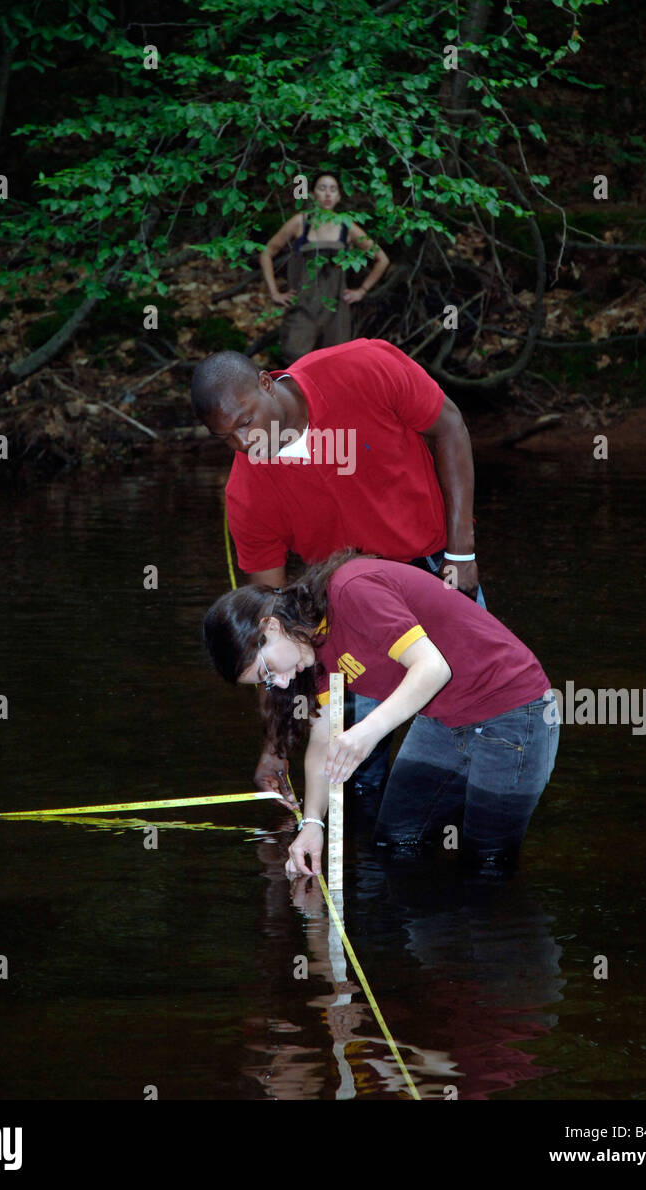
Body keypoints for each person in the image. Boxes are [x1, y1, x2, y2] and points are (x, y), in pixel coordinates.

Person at [191, 338, 483, 803]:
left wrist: (461, 553)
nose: (243, 443)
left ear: (267, 384)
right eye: (225, 436)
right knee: (357, 777)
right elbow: (272, 626)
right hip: (353, 614)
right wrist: (276, 746)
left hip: (436, 569)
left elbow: (449, 427)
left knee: (477, 720)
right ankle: (367, 865)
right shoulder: (247, 497)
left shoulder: (361, 366)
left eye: (246, 422)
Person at [203, 551, 559, 876]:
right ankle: (435, 934)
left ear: (270, 627)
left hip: (512, 708)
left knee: (488, 863)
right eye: (266, 683)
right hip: (444, 719)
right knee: (396, 842)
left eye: (268, 672)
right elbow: (323, 738)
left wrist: (366, 732)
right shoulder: (311, 648)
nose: (279, 684)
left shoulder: (351, 590)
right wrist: (313, 823)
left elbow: (433, 668)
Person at [258, 172, 390, 364]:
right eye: (322, 188)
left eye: (333, 189)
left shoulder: (347, 226)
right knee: (295, 361)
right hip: (302, 306)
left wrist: (361, 291)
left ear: (338, 196)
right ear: (312, 194)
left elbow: (382, 259)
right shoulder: (300, 222)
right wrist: (274, 292)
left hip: (336, 310)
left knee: (335, 365)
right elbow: (266, 252)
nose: (327, 194)